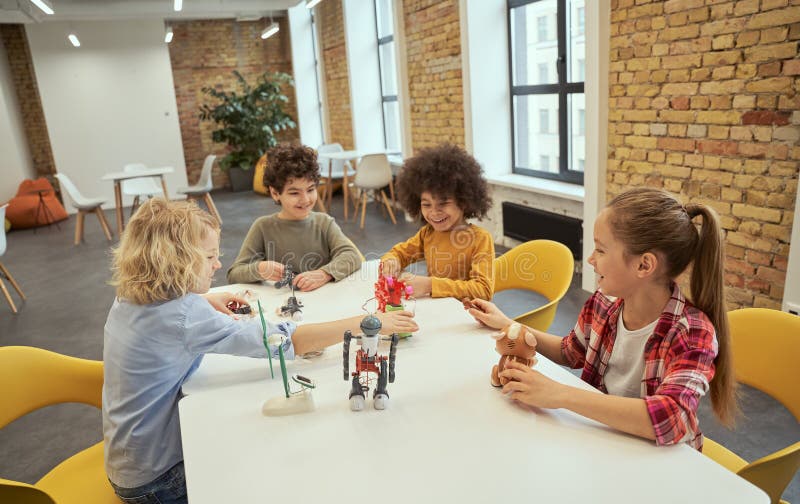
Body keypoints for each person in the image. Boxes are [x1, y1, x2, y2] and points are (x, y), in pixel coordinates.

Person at [103, 198, 417, 504]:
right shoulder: (185, 317)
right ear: (177, 262)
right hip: (160, 481)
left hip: (129, 459)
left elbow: (173, 317)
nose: (217, 264)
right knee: (277, 468)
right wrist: (368, 322)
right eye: (209, 256)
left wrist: (201, 300)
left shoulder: (131, 295)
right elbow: (285, 341)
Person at [467, 187, 737, 450]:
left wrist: (559, 394)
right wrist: (509, 325)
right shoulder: (603, 303)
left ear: (644, 265)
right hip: (604, 439)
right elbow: (570, 351)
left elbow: (671, 417)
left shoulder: (692, 333)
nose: (591, 259)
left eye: (601, 250)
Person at [227, 144, 361, 291]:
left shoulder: (324, 223)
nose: (305, 200)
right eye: (294, 193)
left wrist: (324, 274)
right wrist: (259, 269)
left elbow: (351, 256)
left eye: (310, 190)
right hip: (281, 305)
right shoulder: (263, 227)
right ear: (275, 193)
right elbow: (234, 274)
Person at [381, 143, 494, 300]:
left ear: (464, 201)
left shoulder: (480, 239)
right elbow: (400, 253)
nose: (434, 212)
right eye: (426, 204)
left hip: (469, 316)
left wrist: (430, 285)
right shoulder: (428, 234)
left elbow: (483, 290)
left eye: (443, 203)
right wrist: (391, 260)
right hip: (440, 309)